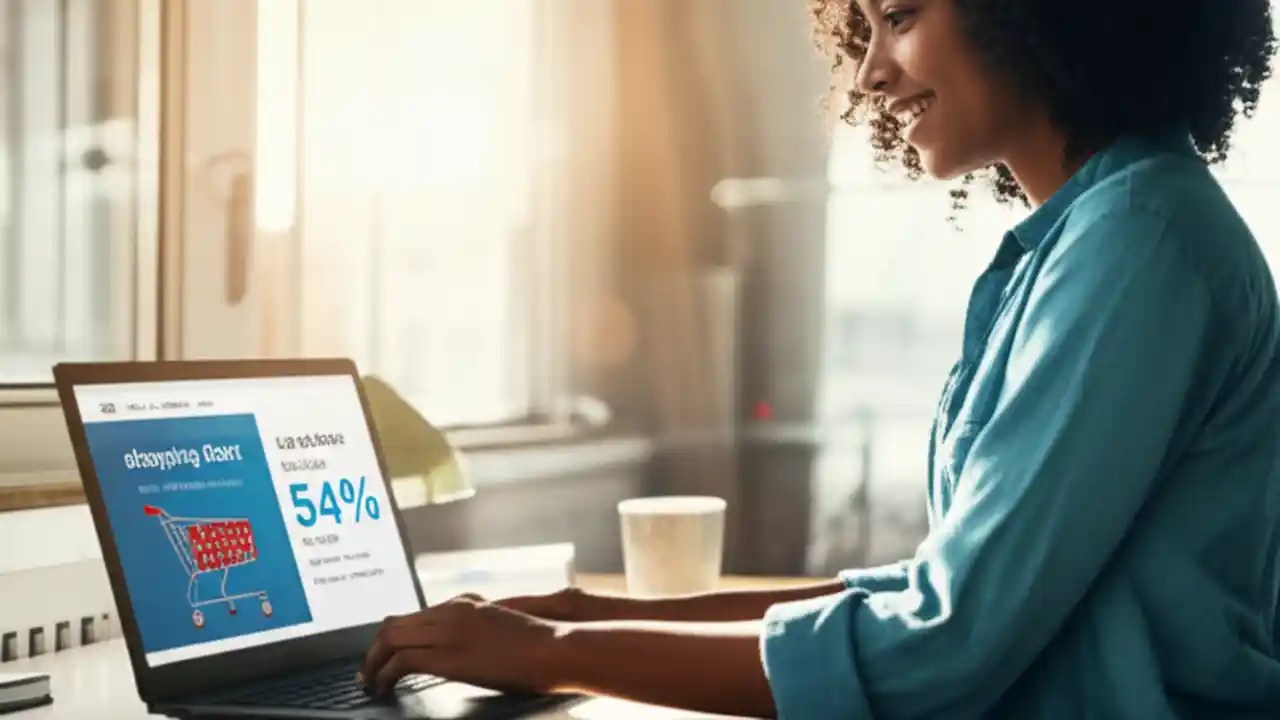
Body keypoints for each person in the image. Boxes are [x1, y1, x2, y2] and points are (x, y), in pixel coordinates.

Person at [360, 0, 1280, 716]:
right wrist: (577, 615)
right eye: (866, 26)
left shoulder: (1138, 242)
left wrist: (548, 655)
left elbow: (941, 645)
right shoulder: (1101, 233)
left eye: (904, 17)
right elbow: (936, 594)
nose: (871, 71)